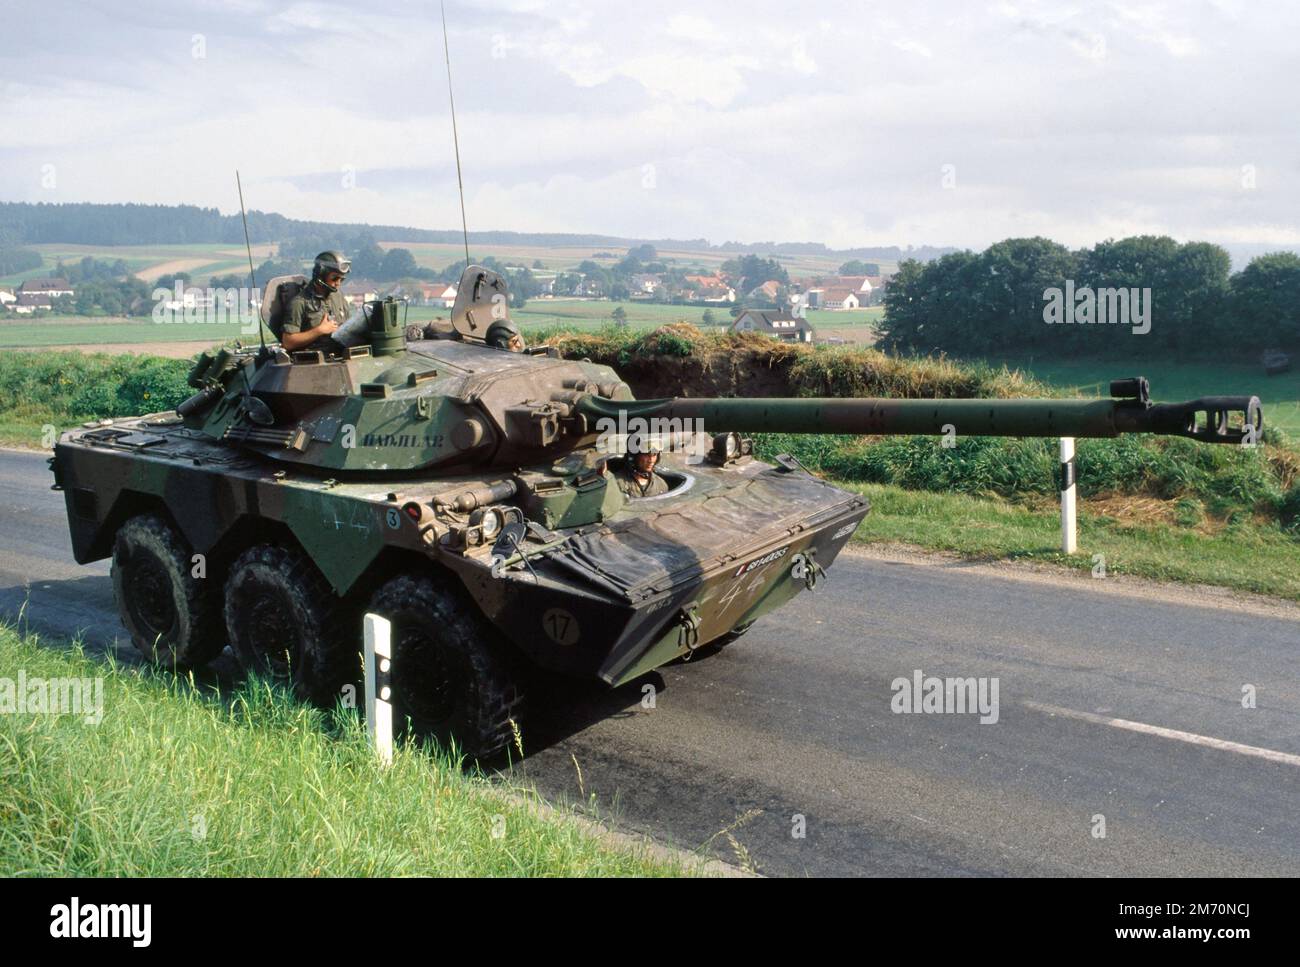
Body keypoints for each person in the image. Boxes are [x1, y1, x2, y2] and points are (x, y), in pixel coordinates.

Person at [280, 251, 352, 352]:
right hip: (315, 362)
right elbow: (288, 342)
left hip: (342, 356)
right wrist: (319, 330)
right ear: (321, 274)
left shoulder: (338, 297)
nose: (338, 283)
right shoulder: (299, 303)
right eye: (334, 278)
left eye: (342, 279)